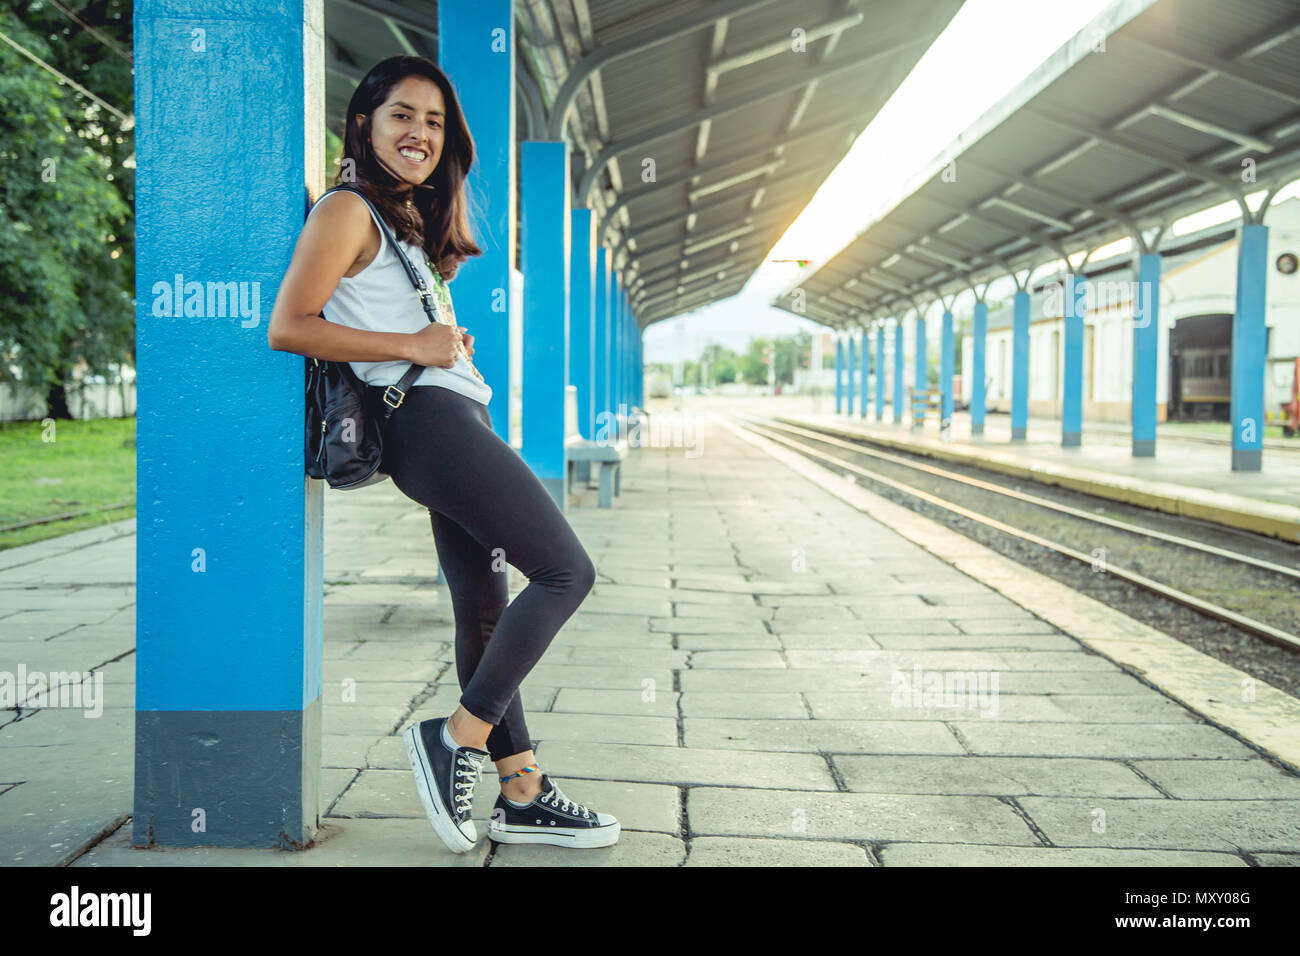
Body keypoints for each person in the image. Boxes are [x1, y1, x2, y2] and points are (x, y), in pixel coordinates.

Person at [268, 55, 619, 853]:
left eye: (433, 122)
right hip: (426, 425)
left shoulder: (402, 227)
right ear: (365, 123)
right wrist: (413, 346)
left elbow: (404, 335)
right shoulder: (346, 210)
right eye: (402, 115)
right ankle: (453, 737)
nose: (419, 133)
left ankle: (521, 789)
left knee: (485, 608)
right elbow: (289, 325)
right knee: (568, 572)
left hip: (453, 416)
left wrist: (441, 345)